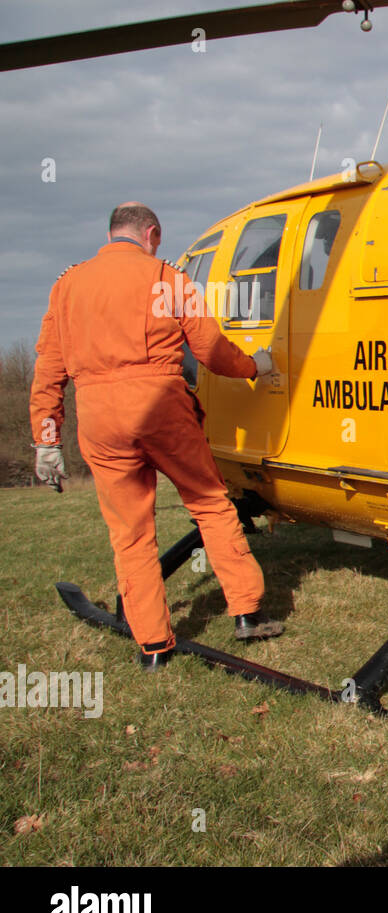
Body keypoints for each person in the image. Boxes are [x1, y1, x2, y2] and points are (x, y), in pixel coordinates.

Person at [30, 202, 285, 670]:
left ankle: (153, 647)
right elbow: (210, 350)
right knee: (210, 503)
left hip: (98, 417)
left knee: (130, 534)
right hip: (161, 407)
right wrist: (255, 366)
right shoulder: (168, 278)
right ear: (151, 233)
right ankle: (247, 612)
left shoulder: (67, 285)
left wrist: (47, 439)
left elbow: (48, 370)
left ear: (112, 234)